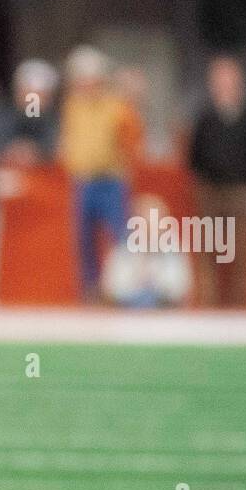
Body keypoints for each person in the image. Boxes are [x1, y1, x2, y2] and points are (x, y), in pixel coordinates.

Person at [57, 45, 142, 301]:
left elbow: (134, 136)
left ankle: (125, 287)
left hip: (111, 179)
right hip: (83, 180)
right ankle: (90, 289)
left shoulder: (117, 106)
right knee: (83, 240)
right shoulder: (72, 105)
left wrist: (133, 96)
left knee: (119, 236)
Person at [188, 55, 246, 307]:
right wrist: (203, 179)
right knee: (208, 248)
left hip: (241, 190)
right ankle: (208, 303)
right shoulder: (204, 116)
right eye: (219, 80)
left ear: (239, 82)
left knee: (242, 249)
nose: (224, 85)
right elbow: (193, 153)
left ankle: (240, 303)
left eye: (228, 80)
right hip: (210, 189)